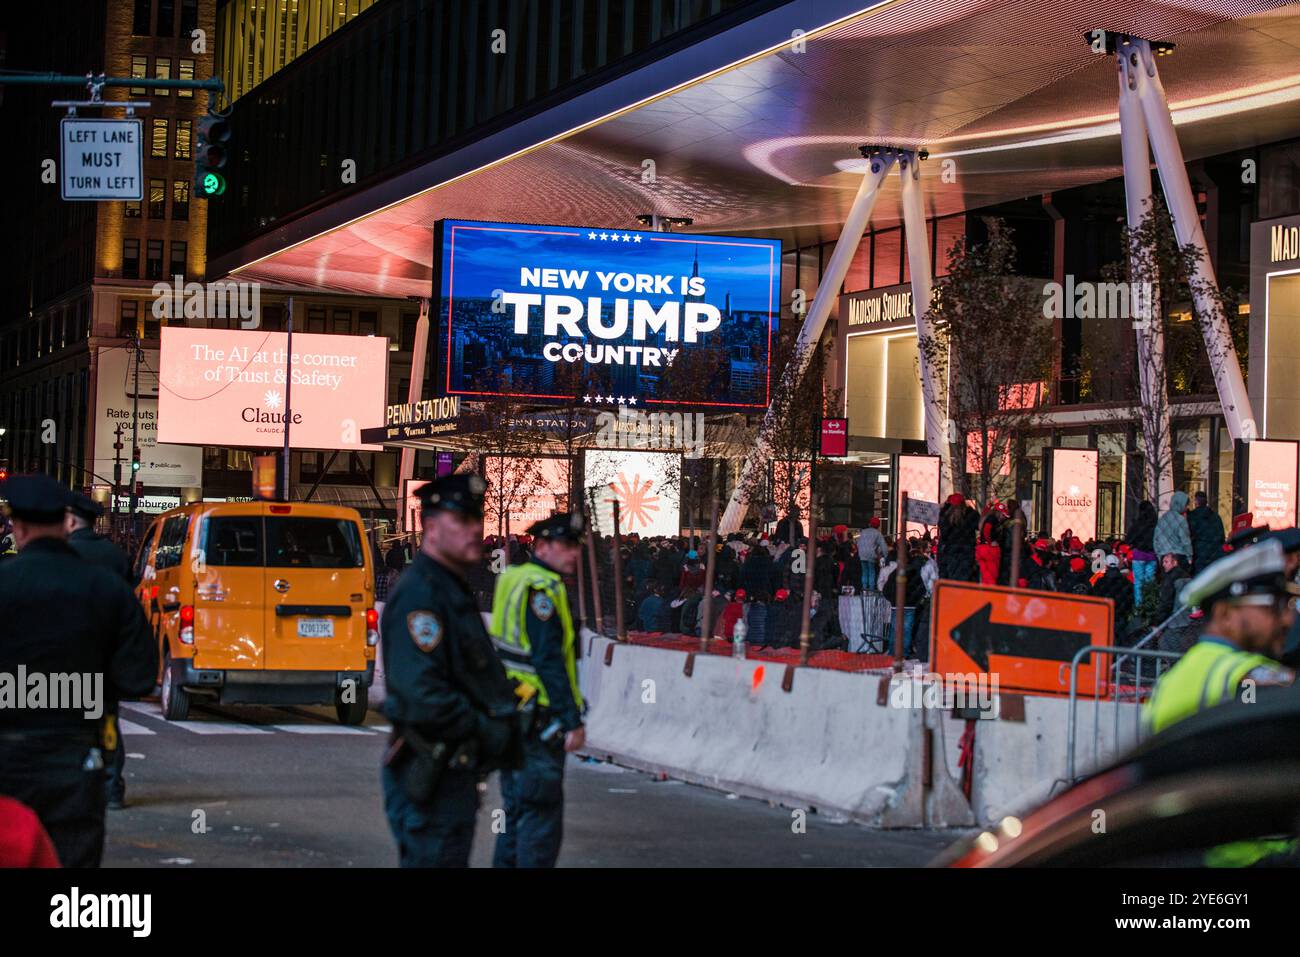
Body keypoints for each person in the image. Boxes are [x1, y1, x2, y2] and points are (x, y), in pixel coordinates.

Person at [0, 473, 156, 867]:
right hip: (76, 755)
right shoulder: (106, 589)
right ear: (65, 524)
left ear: (17, 528)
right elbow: (138, 676)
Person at [380, 474, 522, 868]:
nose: (474, 530)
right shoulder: (421, 592)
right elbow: (421, 693)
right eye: (460, 520)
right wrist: (485, 726)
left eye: (476, 519)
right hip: (432, 769)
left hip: (453, 773)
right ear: (430, 527)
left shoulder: (448, 586)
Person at [490, 511, 586, 869]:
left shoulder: (513, 578)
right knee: (540, 824)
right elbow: (548, 661)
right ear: (542, 546)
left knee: (516, 815)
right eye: (565, 545)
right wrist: (571, 719)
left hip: (514, 715)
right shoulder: (542, 590)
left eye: (575, 545)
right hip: (539, 722)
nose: (573, 553)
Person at [64, 493, 133, 810]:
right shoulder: (115, 556)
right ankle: (111, 787)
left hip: (69, 651)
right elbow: (130, 601)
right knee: (107, 722)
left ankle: (76, 783)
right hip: (107, 652)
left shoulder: (64, 554)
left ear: (71, 521)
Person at [1090, 553, 1134, 641]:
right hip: (1121, 619)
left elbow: (1094, 599)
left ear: (1106, 566)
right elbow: (1131, 600)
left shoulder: (1100, 582)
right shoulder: (1126, 582)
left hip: (1104, 617)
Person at [937, 494, 979, 582]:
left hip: (951, 552)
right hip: (967, 552)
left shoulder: (947, 517)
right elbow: (978, 525)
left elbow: (943, 532)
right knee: (965, 579)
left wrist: (944, 508)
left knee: (951, 578)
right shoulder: (970, 514)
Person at [1186, 490, 1226, 575]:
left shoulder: (1192, 516)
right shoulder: (1215, 517)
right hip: (1215, 553)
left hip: (1199, 554)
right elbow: (1221, 536)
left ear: (1196, 501)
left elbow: (1188, 535)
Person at [1126, 500, 1158, 605]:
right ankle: (1150, 603)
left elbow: (1129, 539)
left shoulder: (1137, 523)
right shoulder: (1155, 524)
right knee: (1150, 581)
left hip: (1139, 555)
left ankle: (1139, 606)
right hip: (1152, 555)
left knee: (1138, 583)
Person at [1153, 490, 1192, 569]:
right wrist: (1189, 557)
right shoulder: (1181, 520)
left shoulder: (1162, 519)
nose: (1186, 508)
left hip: (1164, 556)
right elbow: (1185, 540)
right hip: (1178, 557)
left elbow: (1156, 539)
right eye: (1185, 505)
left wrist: (1159, 555)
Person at [857, 518, 887, 592]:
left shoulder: (863, 532)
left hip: (862, 554)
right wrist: (886, 556)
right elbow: (883, 546)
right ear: (878, 525)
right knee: (871, 572)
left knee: (864, 572)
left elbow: (858, 543)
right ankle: (871, 589)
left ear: (870, 524)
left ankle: (864, 588)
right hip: (871, 555)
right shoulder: (878, 533)